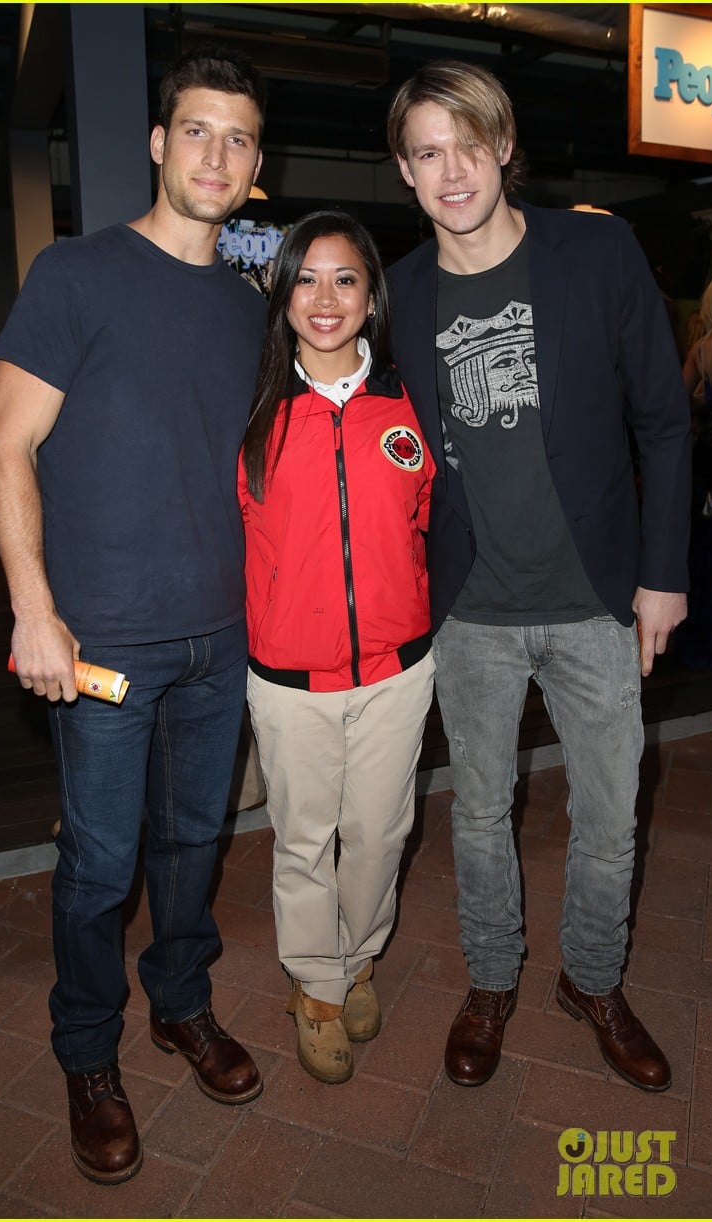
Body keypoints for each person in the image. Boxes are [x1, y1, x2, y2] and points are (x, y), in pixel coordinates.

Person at [0, 45, 268, 1185]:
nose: (216, 155)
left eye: (238, 138)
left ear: (255, 164)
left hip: (220, 638)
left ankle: (181, 1003)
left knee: (194, 845)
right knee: (101, 867)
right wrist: (33, 611)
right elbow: (6, 445)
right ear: (157, 143)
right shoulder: (76, 273)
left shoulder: (247, 307)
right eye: (197, 130)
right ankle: (87, 1052)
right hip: (100, 638)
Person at [385, 61, 691, 1093]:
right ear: (404, 171)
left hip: (597, 598)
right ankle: (489, 980)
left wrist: (663, 575)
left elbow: (663, 420)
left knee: (609, 817)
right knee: (477, 814)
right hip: (468, 606)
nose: (452, 171)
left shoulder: (596, 250)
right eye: (428, 153)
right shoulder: (400, 290)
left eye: (468, 146)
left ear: (504, 147)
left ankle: (591, 980)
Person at [239, 211, 436, 1083]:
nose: (325, 298)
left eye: (345, 279)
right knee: (303, 842)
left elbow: (423, 515)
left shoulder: (407, 401)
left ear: (370, 296)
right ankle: (316, 988)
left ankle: (357, 961)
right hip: (291, 679)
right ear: (282, 294)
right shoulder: (250, 408)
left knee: (380, 836)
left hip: (398, 670)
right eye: (306, 279)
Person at [676, 270, 712, 670]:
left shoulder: (704, 351)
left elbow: (674, 407)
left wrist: (702, 406)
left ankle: (699, 647)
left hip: (708, 472)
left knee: (705, 558)